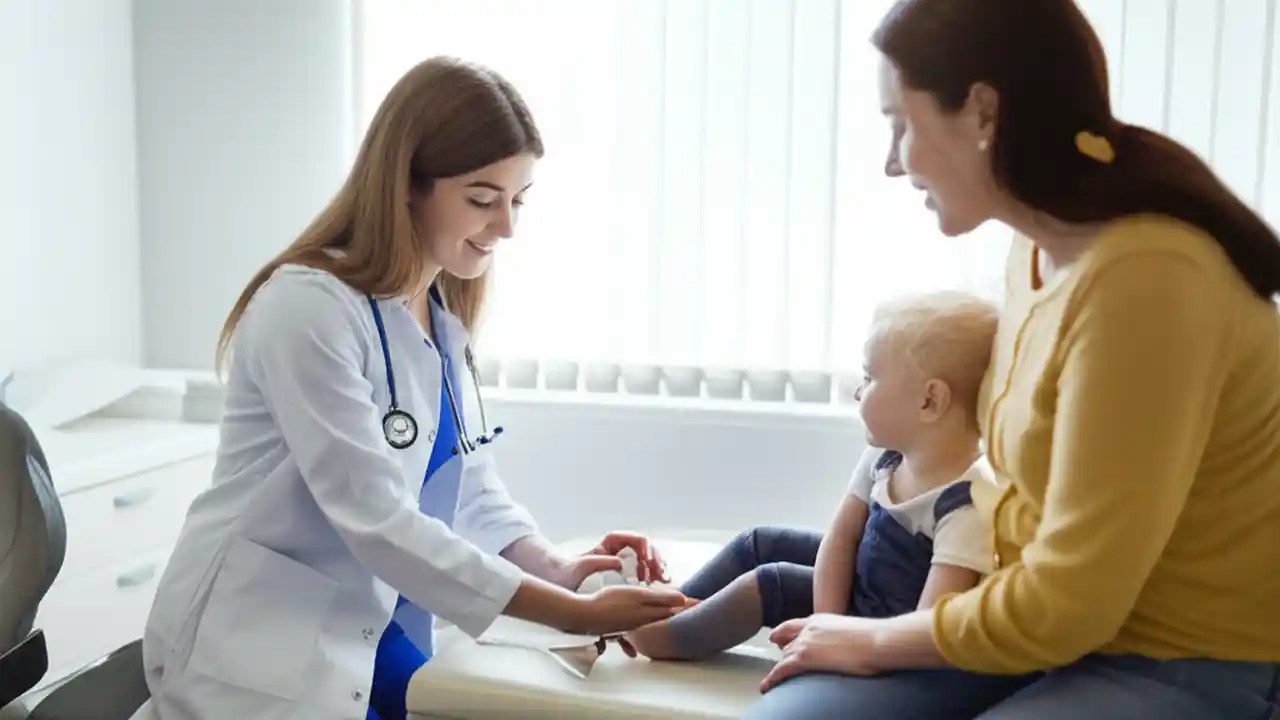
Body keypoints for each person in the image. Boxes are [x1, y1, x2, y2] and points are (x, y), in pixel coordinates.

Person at [744, 1, 1280, 718]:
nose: (891, 160)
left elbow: (1070, 601)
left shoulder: (1148, 281)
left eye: (901, 124)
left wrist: (873, 642)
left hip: (1174, 662)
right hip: (1037, 632)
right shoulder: (1034, 253)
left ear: (982, 112)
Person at [129, 57, 686, 720]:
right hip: (258, 646)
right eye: (482, 199)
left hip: (366, 631)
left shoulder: (438, 314)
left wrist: (559, 568)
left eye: (518, 199)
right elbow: (379, 520)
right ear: (404, 187)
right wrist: (569, 612)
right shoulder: (308, 310)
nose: (506, 226)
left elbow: (469, 487)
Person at [624, 292, 999, 661]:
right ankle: (672, 606)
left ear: (929, 401)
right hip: (857, 592)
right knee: (761, 542)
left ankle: (661, 639)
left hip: (881, 630)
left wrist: (836, 639)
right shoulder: (885, 458)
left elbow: (926, 629)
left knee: (770, 582)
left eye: (869, 379)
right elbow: (841, 537)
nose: (857, 392)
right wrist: (825, 621)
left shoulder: (965, 507)